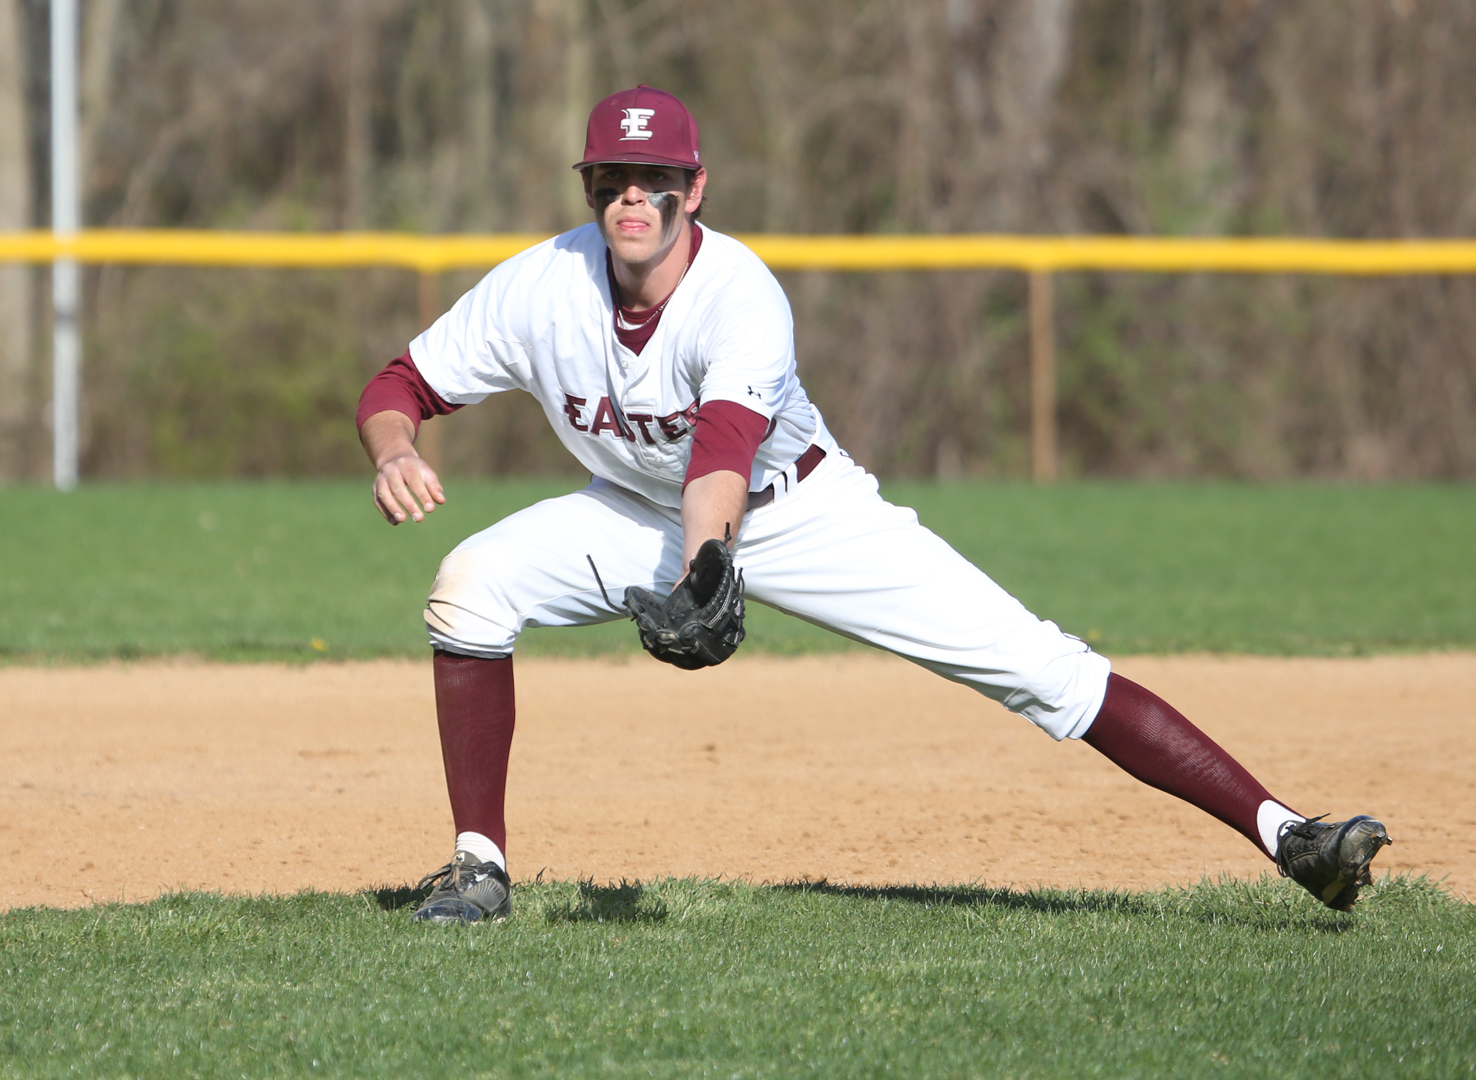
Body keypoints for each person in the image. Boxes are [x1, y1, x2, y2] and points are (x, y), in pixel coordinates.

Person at [355, 86, 1391, 924]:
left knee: (1044, 670)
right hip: (628, 509)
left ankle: (1290, 835)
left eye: (655, 179)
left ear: (695, 188)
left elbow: (722, 450)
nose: (633, 198)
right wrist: (394, 445)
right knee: (471, 587)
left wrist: (705, 567)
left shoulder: (740, 293)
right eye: (613, 179)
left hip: (800, 513)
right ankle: (479, 866)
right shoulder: (540, 286)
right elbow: (397, 384)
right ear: (588, 189)